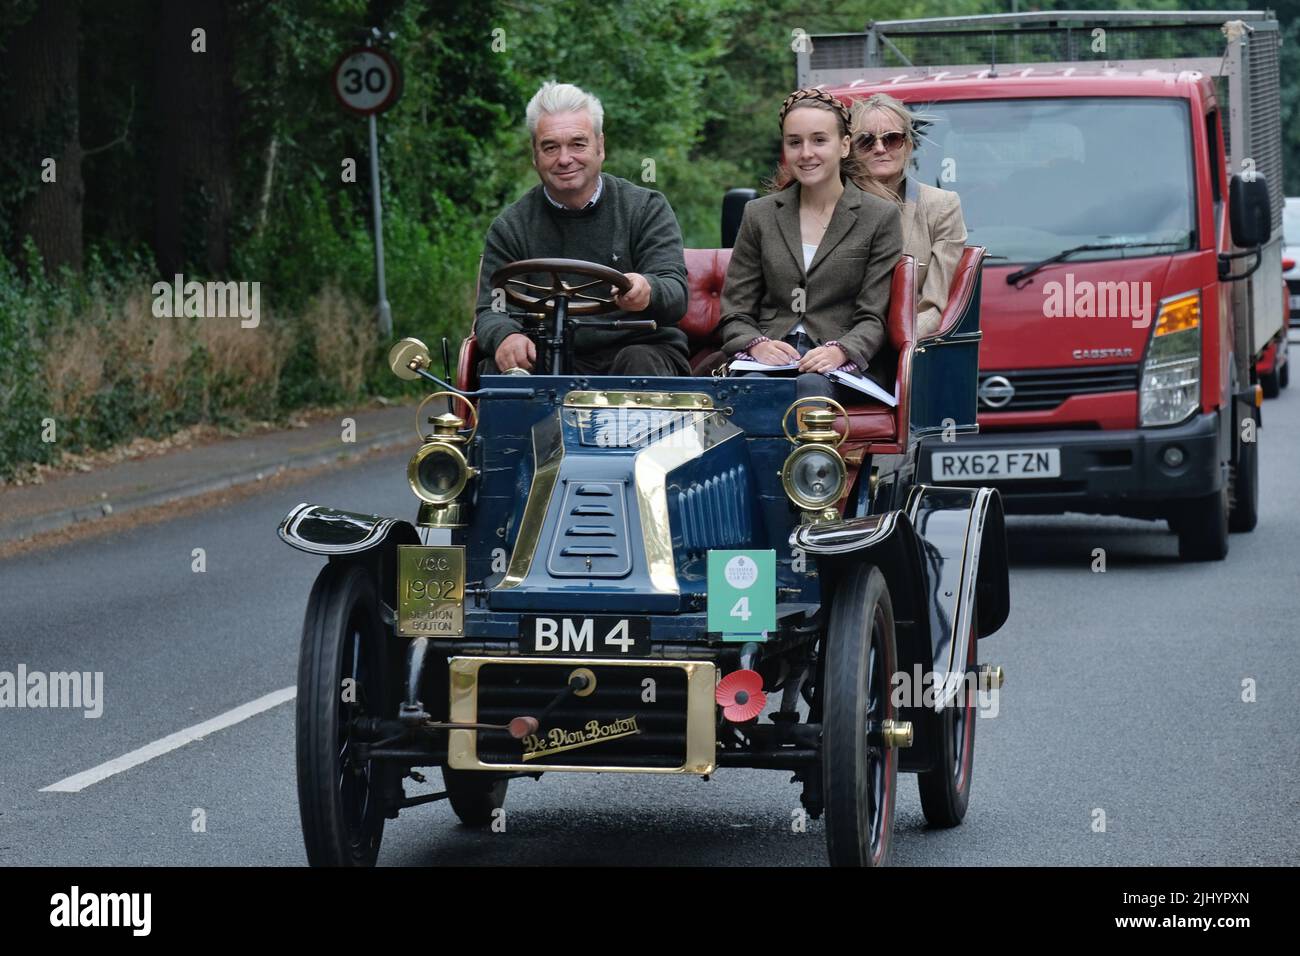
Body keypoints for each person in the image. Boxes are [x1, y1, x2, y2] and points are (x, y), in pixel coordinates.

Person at [473, 81, 690, 376]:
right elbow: (493, 309)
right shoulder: (510, 227)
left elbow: (675, 292)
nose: (564, 159)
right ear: (535, 155)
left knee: (640, 363)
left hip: (638, 348)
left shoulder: (645, 208)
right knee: (503, 375)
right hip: (547, 352)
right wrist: (506, 336)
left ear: (600, 147)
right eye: (551, 147)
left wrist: (647, 289)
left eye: (578, 143)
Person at [719, 88, 904, 399]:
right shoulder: (759, 214)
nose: (806, 153)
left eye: (819, 140)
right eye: (795, 142)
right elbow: (735, 312)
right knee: (749, 393)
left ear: (844, 145)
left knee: (810, 388)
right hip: (771, 360)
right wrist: (758, 344)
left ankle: (815, 452)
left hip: (843, 367)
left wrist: (840, 351)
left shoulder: (880, 217)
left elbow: (874, 316)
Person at [850, 92, 967, 340]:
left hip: (903, 349)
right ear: (849, 149)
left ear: (908, 146)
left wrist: (897, 345)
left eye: (892, 139)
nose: (880, 149)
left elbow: (935, 305)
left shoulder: (942, 206)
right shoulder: (831, 205)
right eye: (866, 141)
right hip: (834, 350)